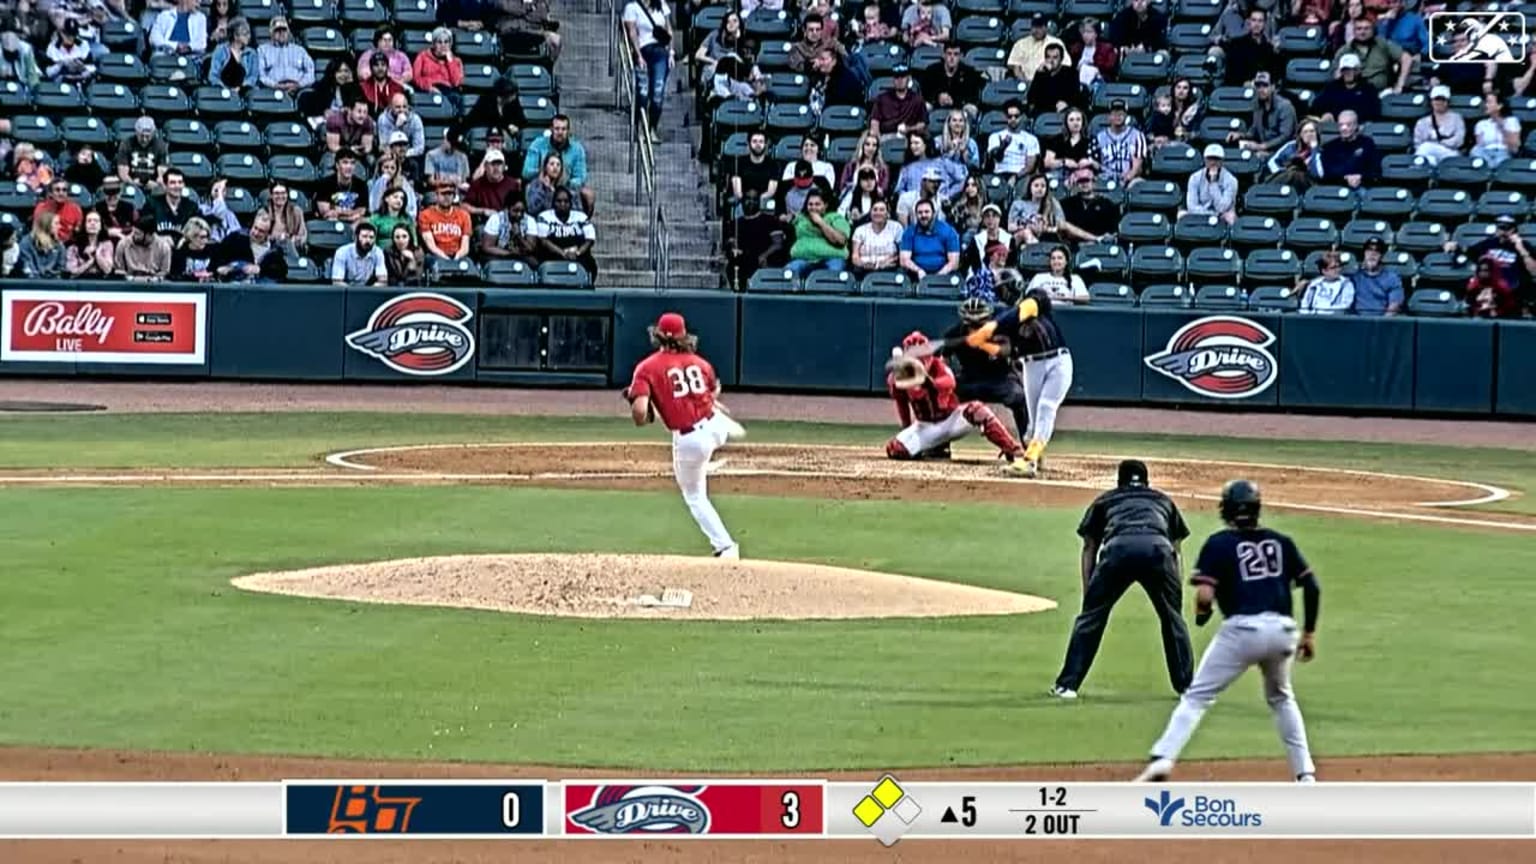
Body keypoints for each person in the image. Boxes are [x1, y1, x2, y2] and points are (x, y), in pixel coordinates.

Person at [1134, 479, 1320, 784]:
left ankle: (1163, 758)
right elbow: (1311, 586)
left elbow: (1205, 596)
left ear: (1227, 510)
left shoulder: (1219, 543)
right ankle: (1306, 775)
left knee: (1196, 697)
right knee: (1282, 698)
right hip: (1283, 631)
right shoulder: (1281, 542)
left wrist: (1202, 612)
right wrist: (1309, 633)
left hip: (1243, 630)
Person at [1049, 459, 1195, 699]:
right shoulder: (1162, 500)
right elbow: (1176, 550)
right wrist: (1175, 594)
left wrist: (1090, 595)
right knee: (1173, 619)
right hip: (1158, 550)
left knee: (1091, 619)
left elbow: (1089, 548)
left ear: (1119, 481)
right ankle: (1188, 689)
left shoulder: (1106, 500)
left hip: (1119, 550)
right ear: (1147, 482)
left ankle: (1067, 685)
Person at [623, 312, 747, 558]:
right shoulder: (701, 363)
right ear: (684, 336)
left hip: (692, 440)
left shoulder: (646, 368)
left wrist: (641, 406)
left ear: (657, 335)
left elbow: (639, 414)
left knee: (694, 495)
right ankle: (728, 427)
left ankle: (726, 547)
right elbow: (713, 390)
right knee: (712, 411)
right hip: (714, 427)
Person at [958, 285, 1073, 477]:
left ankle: (1029, 460)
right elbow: (1006, 351)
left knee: (1047, 406)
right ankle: (1033, 452)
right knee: (1032, 426)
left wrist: (990, 328)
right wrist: (983, 343)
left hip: (1058, 361)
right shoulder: (1007, 323)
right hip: (1031, 366)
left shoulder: (1036, 300)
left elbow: (1023, 310)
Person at [883, 330, 1028, 466]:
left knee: (977, 409)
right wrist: (907, 430)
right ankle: (932, 448)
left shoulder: (939, 367)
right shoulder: (898, 379)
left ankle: (1011, 447)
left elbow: (949, 383)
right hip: (925, 426)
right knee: (896, 449)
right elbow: (902, 404)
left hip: (951, 421)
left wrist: (929, 383)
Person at [943, 296, 1030, 441]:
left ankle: (1027, 442)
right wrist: (947, 381)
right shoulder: (954, 333)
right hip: (970, 379)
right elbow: (944, 360)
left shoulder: (999, 331)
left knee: (1018, 397)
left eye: (979, 323)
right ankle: (939, 445)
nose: (975, 326)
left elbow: (1006, 351)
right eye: (971, 324)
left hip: (999, 378)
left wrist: (983, 343)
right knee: (943, 399)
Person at [622, 0, 675, 141]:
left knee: (657, 95)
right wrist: (638, 55)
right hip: (644, 50)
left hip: (660, 52)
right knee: (643, 94)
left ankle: (652, 129)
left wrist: (671, 52)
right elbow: (632, 32)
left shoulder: (662, 5)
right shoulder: (632, 7)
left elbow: (668, 30)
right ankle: (640, 128)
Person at [521, 115, 595, 216]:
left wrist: (563, 184)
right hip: (542, 183)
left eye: (564, 129)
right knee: (530, 188)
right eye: (557, 129)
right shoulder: (537, 144)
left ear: (568, 131)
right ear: (551, 129)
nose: (560, 132)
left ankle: (581, 222)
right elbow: (526, 171)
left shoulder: (577, 149)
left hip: (567, 185)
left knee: (587, 193)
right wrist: (543, 176)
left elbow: (580, 177)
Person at [534, 186, 598, 280]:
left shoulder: (581, 217)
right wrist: (563, 254)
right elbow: (543, 241)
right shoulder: (544, 217)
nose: (562, 204)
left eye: (566, 201)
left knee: (591, 264)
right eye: (559, 201)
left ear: (571, 203)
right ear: (553, 203)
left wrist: (577, 253)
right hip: (553, 255)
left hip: (577, 255)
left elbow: (590, 240)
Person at [786, 189, 850, 277]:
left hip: (832, 258)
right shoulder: (800, 220)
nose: (813, 208)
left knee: (834, 271)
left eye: (817, 204)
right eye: (810, 204)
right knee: (789, 271)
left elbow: (840, 241)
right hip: (803, 259)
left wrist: (821, 222)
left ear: (825, 205)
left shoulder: (835, 218)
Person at [898, 200, 960, 279]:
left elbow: (954, 263)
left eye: (927, 212)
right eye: (920, 213)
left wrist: (936, 277)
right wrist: (918, 270)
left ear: (933, 213)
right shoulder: (909, 232)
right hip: (916, 276)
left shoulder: (948, 231)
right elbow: (904, 261)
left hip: (943, 277)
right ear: (916, 215)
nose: (923, 215)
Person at [256, 16, 315, 95]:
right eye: (277, 30)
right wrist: (276, 86)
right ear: (271, 32)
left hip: (298, 89)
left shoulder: (300, 50)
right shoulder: (262, 50)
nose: (281, 33)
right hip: (272, 91)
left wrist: (299, 85)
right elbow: (261, 76)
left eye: (284, 30)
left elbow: (310, 73)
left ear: (288, 32)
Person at [869, 63, 927, 140]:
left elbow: (923, 124)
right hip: (886, 136)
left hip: (910, 138)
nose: (900, 80)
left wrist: (909, 129)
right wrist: (878, 141)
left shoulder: (917, 99)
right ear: (893, 79)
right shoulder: (882, 99)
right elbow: (874, 123)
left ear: (908, 78)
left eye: (903, 76)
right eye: (896, 77)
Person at [1184, 144, 1239, 224]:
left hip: (1222, 216)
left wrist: (1213, 183)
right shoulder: (1195, 177)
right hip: (1201, 214)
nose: (1213, 162)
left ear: (1222, 161)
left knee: (1231, 217)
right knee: (1181, 215)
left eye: (1216, 159)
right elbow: (1191, 206)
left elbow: (1222, 208)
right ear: (1205, 160)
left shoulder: (1231, 180)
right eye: (1210, 159)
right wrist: (1211, 214)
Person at [418, 181, 474, 260]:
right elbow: (430, 244)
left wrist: (456, 258)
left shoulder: (464, 215)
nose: (446, 197)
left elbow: (465, 246)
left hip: (458, 255)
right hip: (435, 255)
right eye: (443, 194)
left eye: (450, 194)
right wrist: (446, 259)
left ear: (454, 197)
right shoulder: (425, 215)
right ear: (437, 195)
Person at [413, 27, 465, 111]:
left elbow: (456, 82)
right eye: (439, 42)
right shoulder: (422, 56)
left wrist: (450, 62)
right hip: (427, 89)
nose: (443, 45)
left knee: (457, 99)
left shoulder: (456, 61)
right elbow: (416, 78)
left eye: (446, 42)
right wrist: (429, 87)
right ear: (433, 44)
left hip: (448, 91)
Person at [986, 100, 1040, 180]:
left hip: (1021, 176)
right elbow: (996, 158)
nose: (1013, 119)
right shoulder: (995, 136)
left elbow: (1030, 166)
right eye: (1009, 116)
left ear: (1021, 117)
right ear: (1005, 117)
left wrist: (1016, 177)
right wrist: (1003, 146)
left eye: (1016, 116)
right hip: (1000, 174)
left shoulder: (1031, 139)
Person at [1412, 85, 1465, 165]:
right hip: (1427, 153)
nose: (1439, 102)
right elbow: (1417, 143)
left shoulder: (1456, 118)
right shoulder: (1422, 122)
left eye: (1442, 100)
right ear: (1431, 101)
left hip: (1450, 152)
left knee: (1427, 147)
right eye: (1436, 99)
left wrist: (1442, 143)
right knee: (1429, 157)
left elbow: (1459, 139)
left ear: (1447, 101)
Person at [315, 150, 370, 224]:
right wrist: (350, 214)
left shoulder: (361, 185)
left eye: (352, 163)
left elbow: (361, 211)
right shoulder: (325, 184)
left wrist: (338, 211)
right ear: (337, 165)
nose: (349, 167)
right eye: (345, 162)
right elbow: (325, 212)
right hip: (332, 222)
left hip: (353, 222)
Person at [849, 199, 902, 275]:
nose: (878, 213)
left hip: (889, 268)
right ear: (870, 213)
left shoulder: (896, 227)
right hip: (864, 269)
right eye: (875, 210)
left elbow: (902, 253)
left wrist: (887, 263)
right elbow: (855, 257)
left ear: (887, 213)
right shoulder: (860, 230)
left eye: (882, 210)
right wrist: (868, 265)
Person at [116, 116, 169, 190]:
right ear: (136, 132)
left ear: (153, 133)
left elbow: (162, 173)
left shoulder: (160, 146)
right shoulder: (126, 144)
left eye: (147, 136)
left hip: (153, 184)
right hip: (130, 183)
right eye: (141, 136)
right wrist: (132, 183)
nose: (144, 139)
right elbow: (123, 173)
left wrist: (157, 184)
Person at [481, 193, 539, 261]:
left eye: (522, 211)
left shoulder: (530, 221)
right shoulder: (496, 219)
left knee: (533, 261)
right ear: (507, 208)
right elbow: (487, 247)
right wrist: (509, 254)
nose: (519, 214)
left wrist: (518, 236)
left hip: (521, 255)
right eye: (515, 211)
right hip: (500, 254)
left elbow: (530, 249)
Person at [115, 214, 174, 281]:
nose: (134, 235)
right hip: (129, 284)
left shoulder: (164, 247)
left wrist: (155, 279)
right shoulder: (123, 244)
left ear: (149, 235)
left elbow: (164, 272)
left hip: (154, 285)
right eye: (133, 232)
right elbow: (119, 271)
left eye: (138, 233)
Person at [1471, 92, 1521, 169]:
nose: (1486, 105)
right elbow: (1479, 145)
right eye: (1486, 102)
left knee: (1501, 161)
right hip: (1485, 153)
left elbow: (1515, 148)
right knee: (1475, 151)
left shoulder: (1511, 121)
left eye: (1489, 102)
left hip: (1503, 152)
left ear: (1499, 106)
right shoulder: (1481, 124)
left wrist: (1501, 126)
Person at [329, 221, 387, 285]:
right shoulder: (342, 252)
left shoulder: (377, 252)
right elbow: (337, 282)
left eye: (371, 237)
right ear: (356, 237)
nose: (368, 240)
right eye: (364, 236)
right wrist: (354, 293)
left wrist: (370, 291)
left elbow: (383, 281)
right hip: (347, 291)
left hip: (368, 290)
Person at [207, 17, 257, 89]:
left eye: (249, 33)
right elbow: (213, 75)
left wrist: (241, 88)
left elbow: (253, 77)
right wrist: (224, 88)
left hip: (244, 91)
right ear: (235, 35)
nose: (248, 37)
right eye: (245, 34)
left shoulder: (251, 53)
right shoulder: (220, 50)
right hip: (223, 91)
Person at [66, 209, 115, 278]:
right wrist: (89, 262)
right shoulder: (74, 247)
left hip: (101, 282)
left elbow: (108, 270)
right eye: (89, 221)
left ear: (101, 226)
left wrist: (97, 254)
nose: (92, 223)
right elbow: (72, 272)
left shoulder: (107, 244)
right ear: (84, 225)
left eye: (96, 221)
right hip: (80, 282)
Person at [17, 211, 66, 278]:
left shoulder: (59, 245)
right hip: (32, 283)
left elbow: (60, 268)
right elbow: (27, 269)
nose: (60, 227)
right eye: (56, 223)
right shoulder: (26, 243)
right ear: (46, 225)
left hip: (53, 283)